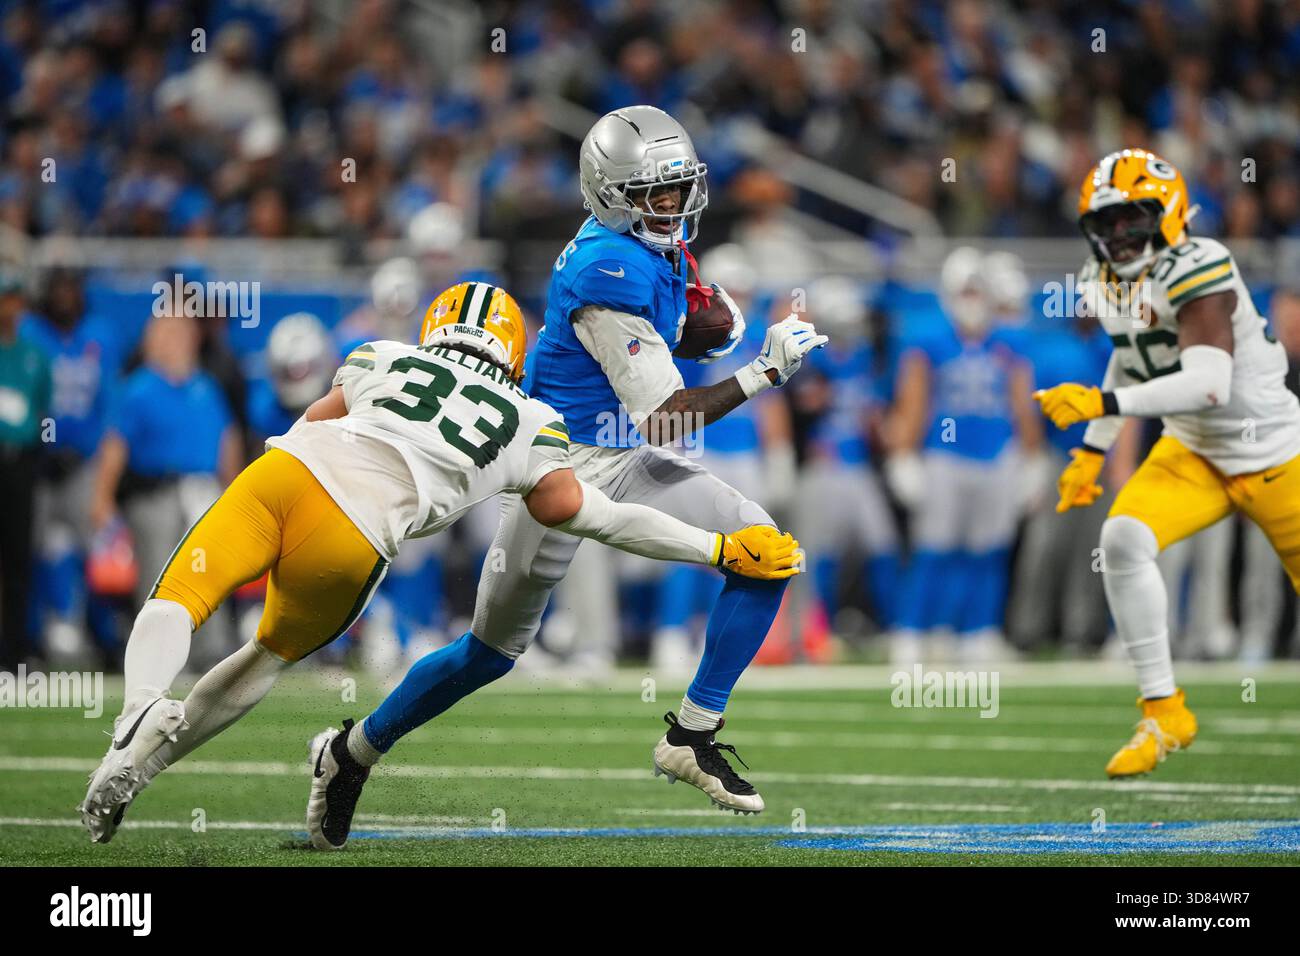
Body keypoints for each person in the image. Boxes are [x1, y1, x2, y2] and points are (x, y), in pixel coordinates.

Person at [79, 281, 799, 846]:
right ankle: (153, 755)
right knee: (264, 657)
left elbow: (309, 428)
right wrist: (713, 549)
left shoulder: (378, 355)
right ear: (513, 351)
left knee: (177, 596)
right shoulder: (530, 422)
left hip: (286, 477)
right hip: (355, 537)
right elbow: (595, 516)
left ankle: (138, 715)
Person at [316, 106, 826, 827]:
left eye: (681, 189)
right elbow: (667, 417)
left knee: (766, 551)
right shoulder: (605, 273)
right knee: (487, 655)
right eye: (660, 193)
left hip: (627, 456)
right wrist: (761, 372)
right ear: (613, 193)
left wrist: (700, 322)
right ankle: (353, 750)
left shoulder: (650, 246)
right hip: (555, 470)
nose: (676, 206)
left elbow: (668, 349)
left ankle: (692, 733)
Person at [1034, 148, 1300, 776]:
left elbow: (1208, 382)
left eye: (1134, 218)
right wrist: (1093, 450)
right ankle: (1164, 710)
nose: (1120, 235)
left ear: (1171, 213)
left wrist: (1102, 404)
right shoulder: (1102, 281)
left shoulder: (1201, 263)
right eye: (1107, 224)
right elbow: (1131, 355)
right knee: (1123, 538)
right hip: (1193, 451)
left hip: (1273, 453)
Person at [886, 247, 1043, 664]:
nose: (973, 300)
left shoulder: (1008, 343)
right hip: (945, 457)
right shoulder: (930, 339)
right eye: (966, 291)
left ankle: (977, 632)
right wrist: (903, 455)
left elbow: (1021, 403)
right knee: (934, 548)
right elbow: (913, 400)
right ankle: (913, 630)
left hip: (996, 456)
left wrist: (1033, 458)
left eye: (978, 291)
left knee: (987, 550)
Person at [0, 270, 50, 671]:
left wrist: (41, 453)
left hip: (20, 464)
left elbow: (44, 415)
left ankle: (15, 651)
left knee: (19, 559)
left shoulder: (35, 356)